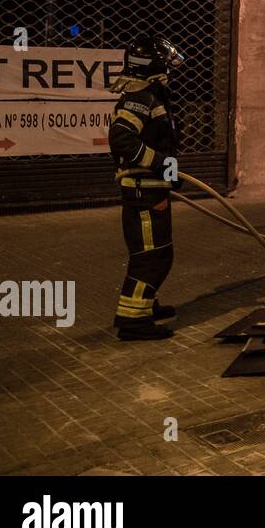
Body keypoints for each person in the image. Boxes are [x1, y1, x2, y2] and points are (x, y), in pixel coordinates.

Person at [108, 35, 185, 341]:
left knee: (154, 252)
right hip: (143, 192)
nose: (171, 70)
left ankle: (145, 304)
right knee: (152, 257)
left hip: (151, 189)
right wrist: (161, 163)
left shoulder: (149, 95)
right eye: (166, 64)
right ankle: (132, 321)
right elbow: (122, 140)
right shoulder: (139, 99)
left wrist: (167, 169)